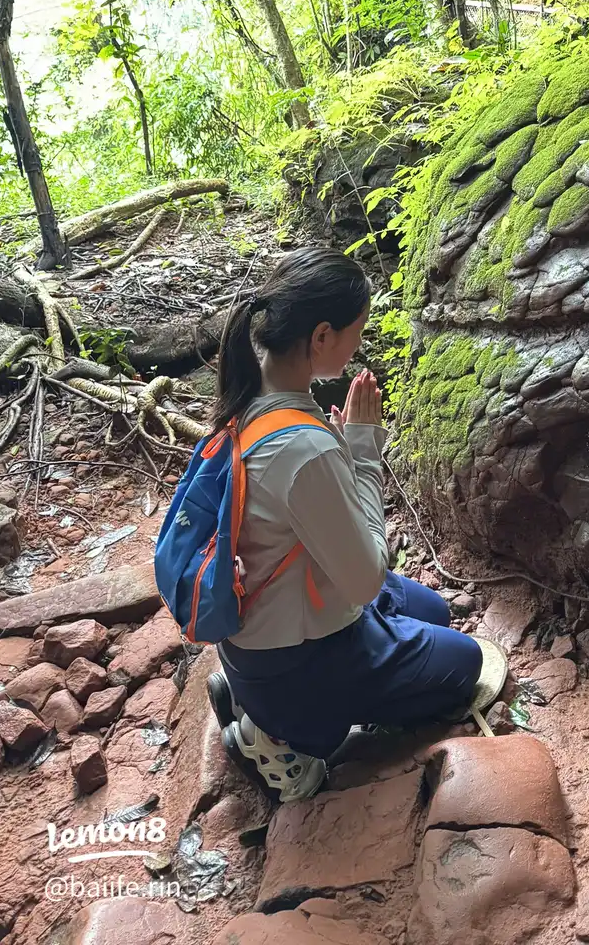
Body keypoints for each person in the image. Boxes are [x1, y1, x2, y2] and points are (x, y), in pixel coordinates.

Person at [203, 246, 505, 802]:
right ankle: (277, 739)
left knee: (434, 611)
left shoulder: (251, 401)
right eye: (355, 331)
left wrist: (338, 458)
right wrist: (362, 451)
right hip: (298, 659)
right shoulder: (302, 446)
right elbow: (368, 577)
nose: (358, 344)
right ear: (321, 338)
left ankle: (256, 697)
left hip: (262, 631)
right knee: (465, 666)